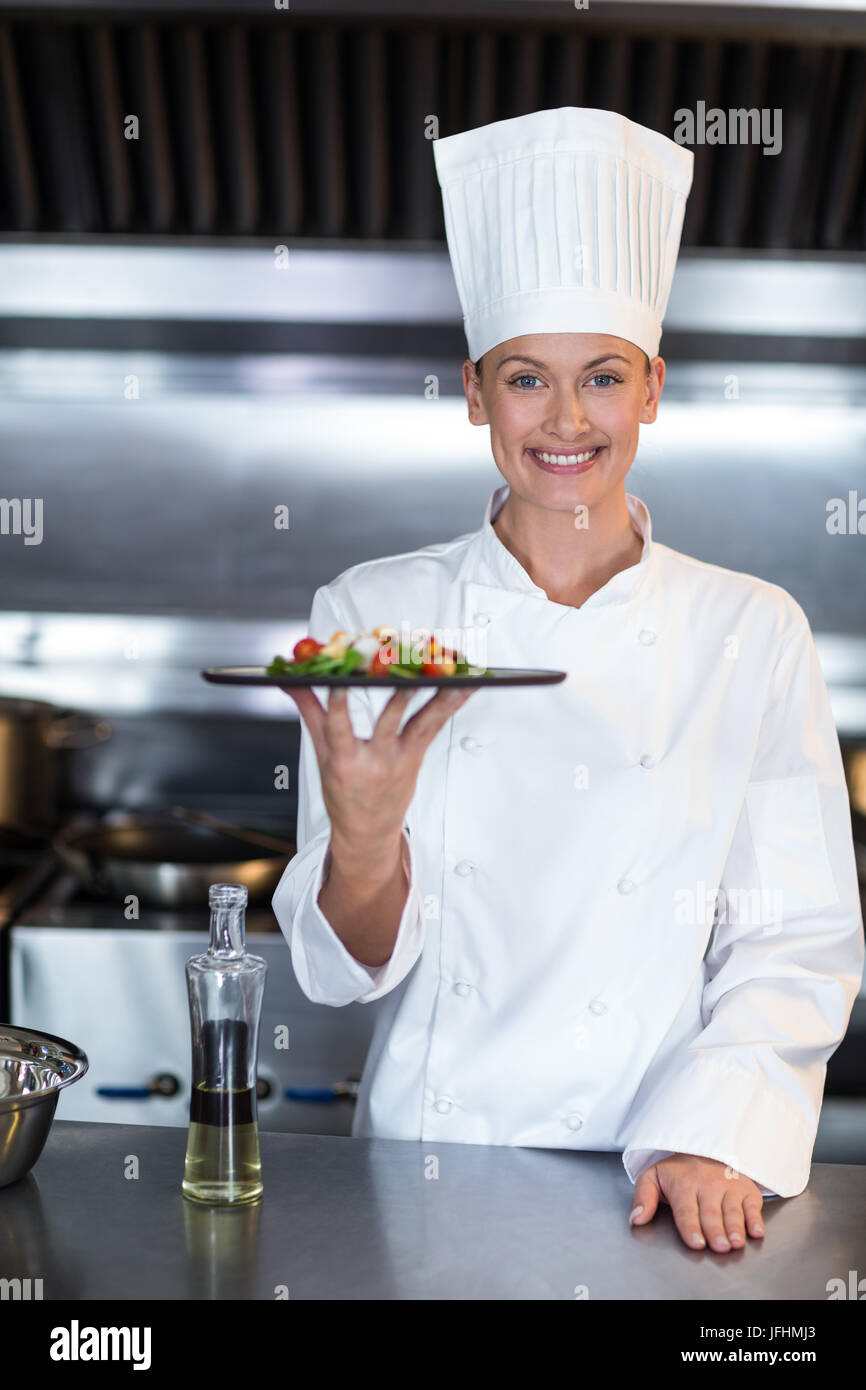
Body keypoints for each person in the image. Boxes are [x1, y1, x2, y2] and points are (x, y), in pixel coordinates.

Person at [272, 107, 864, 1256]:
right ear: (473, 392)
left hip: (656, 1177)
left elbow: (789, 937)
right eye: (523, 379)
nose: (562, 420)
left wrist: (716, 1133)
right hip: (423, 1181)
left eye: (599, 377)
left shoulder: (751, 629)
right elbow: (339, 977)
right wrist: (360, 843)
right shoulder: (372, 621)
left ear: (650, 387)